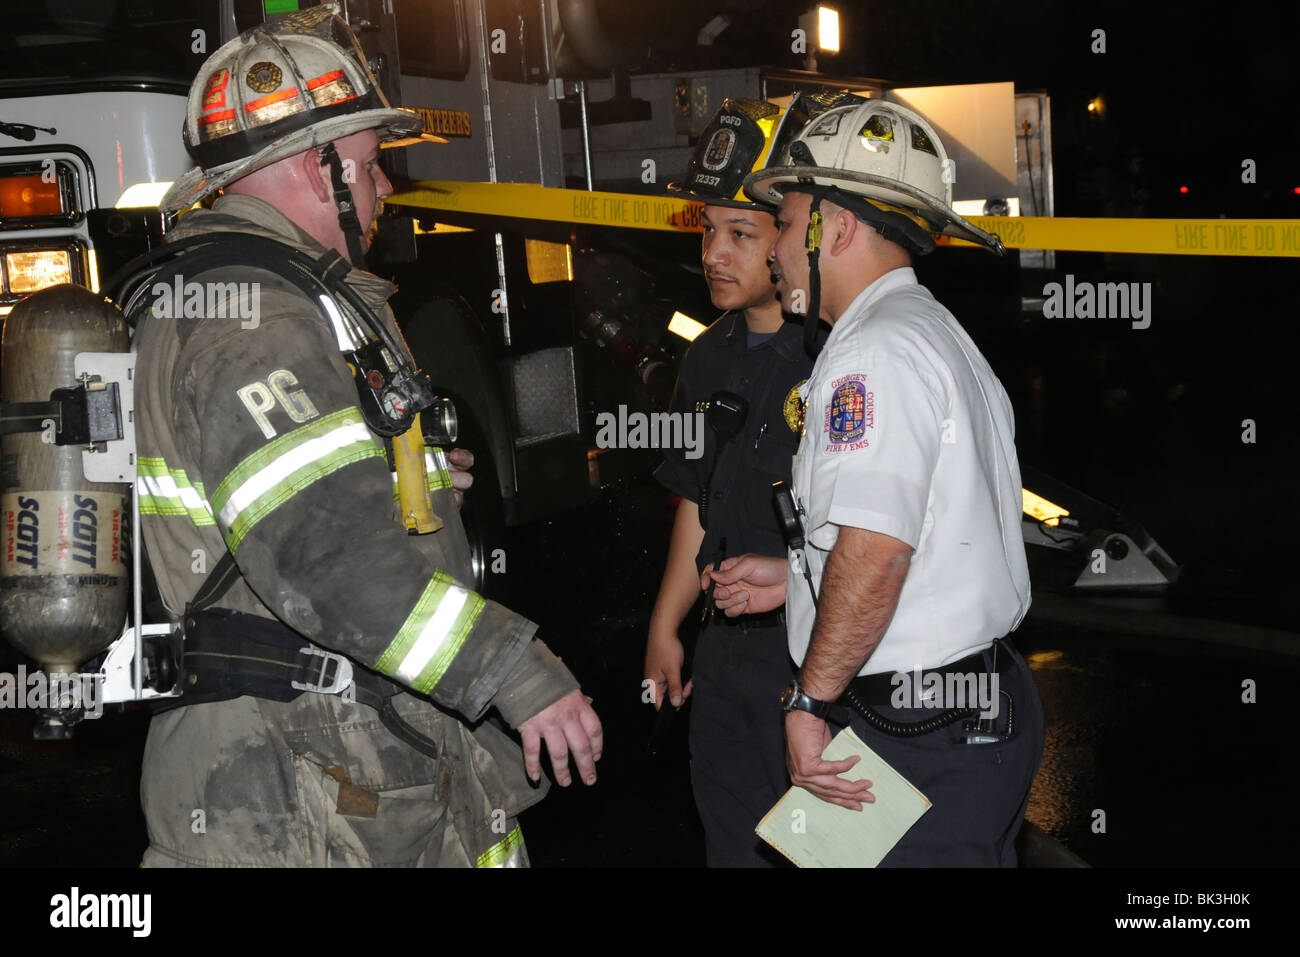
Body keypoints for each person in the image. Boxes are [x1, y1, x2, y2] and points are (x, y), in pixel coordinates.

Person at [131, 5, 600, 867]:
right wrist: (517, 673)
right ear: (319, 168)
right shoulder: (258, 320)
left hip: (325, 742)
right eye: (371, 164)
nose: (385, 187)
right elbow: (326, 556)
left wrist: (401, 479)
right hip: (285, 775)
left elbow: (280, 509)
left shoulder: (279, 296)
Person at [708, 94, 1044, 866]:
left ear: (838, 227)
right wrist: (796, 579)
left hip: (919, 725)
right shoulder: (931, 331)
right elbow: (917, 536)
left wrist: (809, 702)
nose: (775, 250)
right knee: (796, 854)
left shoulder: (871, 358)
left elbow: (880, 549)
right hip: (961, 708)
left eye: (787, 225)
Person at [646, 98, 819, 867]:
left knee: (824, 854)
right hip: (724, 664)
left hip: (815, 660)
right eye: (707, 231)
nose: (714, 253)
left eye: (740, 233)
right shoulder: (705, 359)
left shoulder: (837, 359)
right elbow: (696, 498)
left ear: (792, 232)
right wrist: (665, 625)